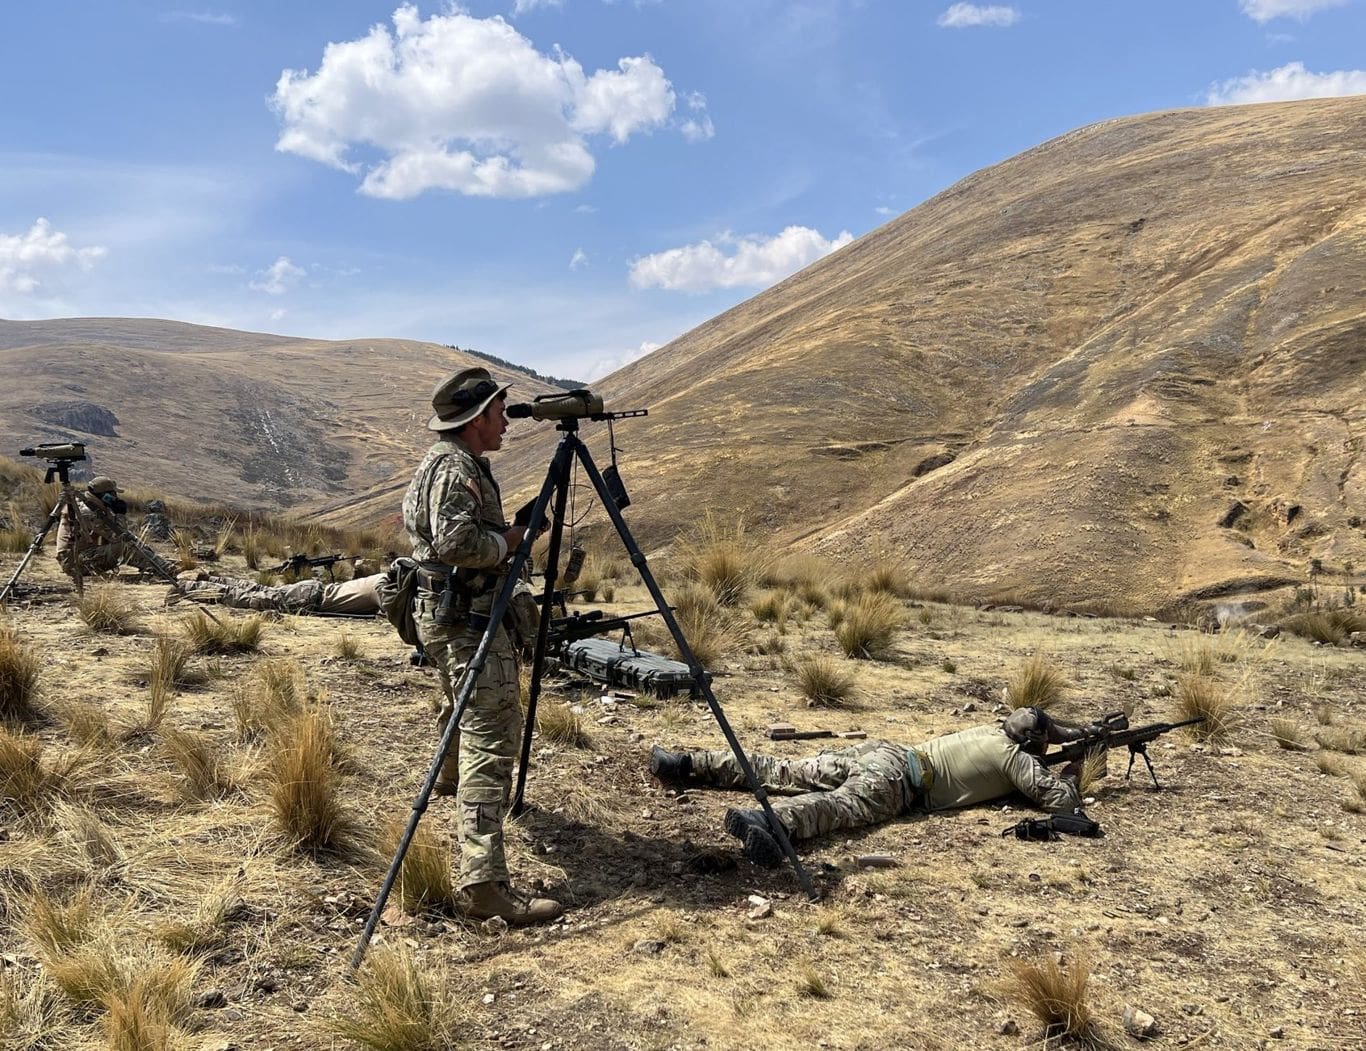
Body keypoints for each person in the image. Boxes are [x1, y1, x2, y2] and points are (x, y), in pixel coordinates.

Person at [400, 367, 561, 926]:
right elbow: (456, 543)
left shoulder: (447, 464)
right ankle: (484, 885)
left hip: (446, 615)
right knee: (490, 739)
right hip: (466, 619)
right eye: (498, 413)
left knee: (460, 707)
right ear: (474, 422)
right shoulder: (455, 468)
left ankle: (448, 781)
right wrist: (511, 540)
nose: (505, 424)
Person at [650, 707, 1094, 867]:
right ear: (1034, 743)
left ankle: (688, 762)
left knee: (784, 769)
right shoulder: (1013, 758)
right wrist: (1079, 768)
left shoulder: (990, 734)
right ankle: (768, 821)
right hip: (899, 783)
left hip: (883, 753)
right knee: (838, 808)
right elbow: (1057, 799)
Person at [166, 570, 382, 615]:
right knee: (250, 599)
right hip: (310, 599)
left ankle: (210, 579)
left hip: (312, 589)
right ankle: (188, 588)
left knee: (259, 590)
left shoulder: (383, 579)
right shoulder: (387, 589)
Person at [54, 477, 140, 578]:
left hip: (79, 556)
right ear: (104, 495)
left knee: (133, 540)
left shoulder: (91, 504)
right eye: (113, 494)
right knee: (125, 545)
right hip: (74, 563)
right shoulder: (87, 512)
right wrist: (120, 514)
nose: (115, 497)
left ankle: (157, 565)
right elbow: (119, 536)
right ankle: (160, 568)